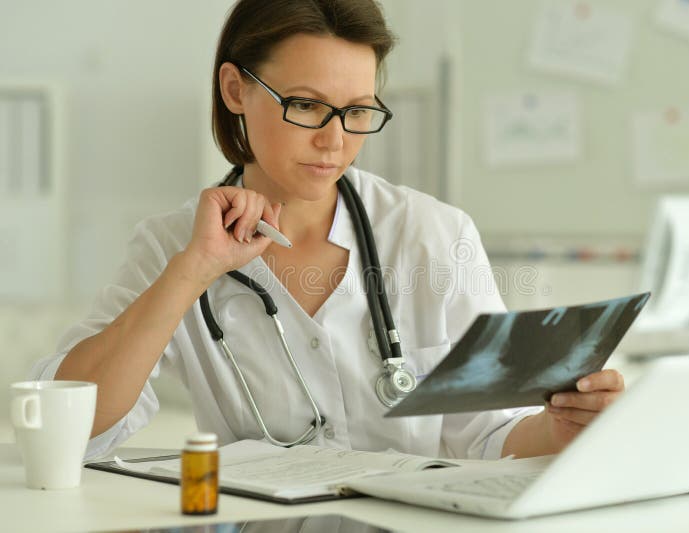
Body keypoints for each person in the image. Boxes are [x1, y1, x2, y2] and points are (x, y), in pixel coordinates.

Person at [32, 0, 625, 461]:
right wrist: (192, 271)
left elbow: (486, 433)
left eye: (359, 111)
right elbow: (69, 427)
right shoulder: (170, 246)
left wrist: (559, 426)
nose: (335, 140)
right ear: (235, 89)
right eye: (308, 105)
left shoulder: (431, 234)